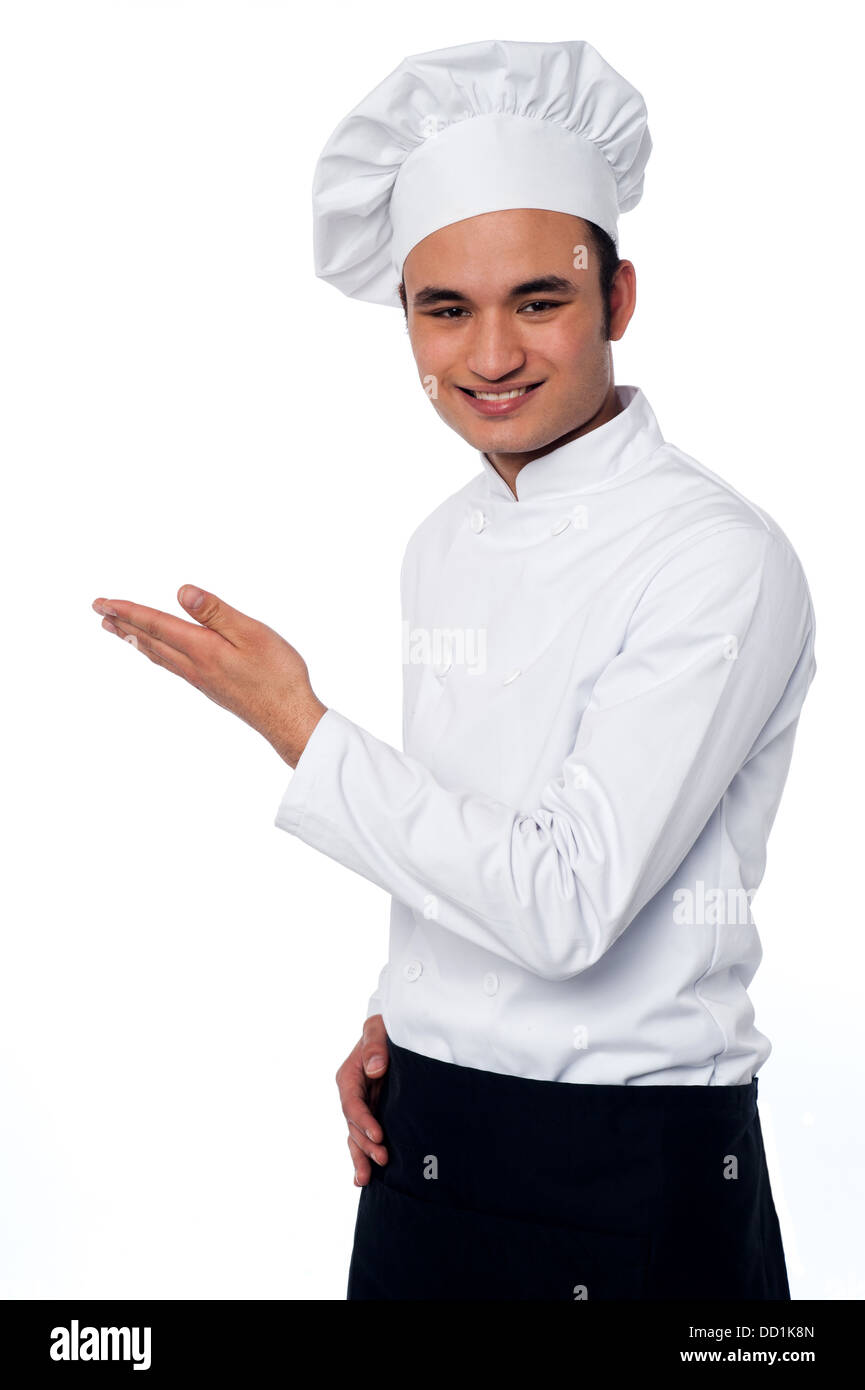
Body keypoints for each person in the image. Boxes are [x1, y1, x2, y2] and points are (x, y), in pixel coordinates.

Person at [92, 38, 817, 1301]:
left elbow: (564, 901)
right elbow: (477, 829)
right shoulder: (440, 540)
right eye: (445, 309)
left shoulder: (718, 558)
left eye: (539, 299)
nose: (490, 356)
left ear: (618, 298)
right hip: (429, 1142)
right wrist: (417, 1014)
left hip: (627, 1170)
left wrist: (298, 726)